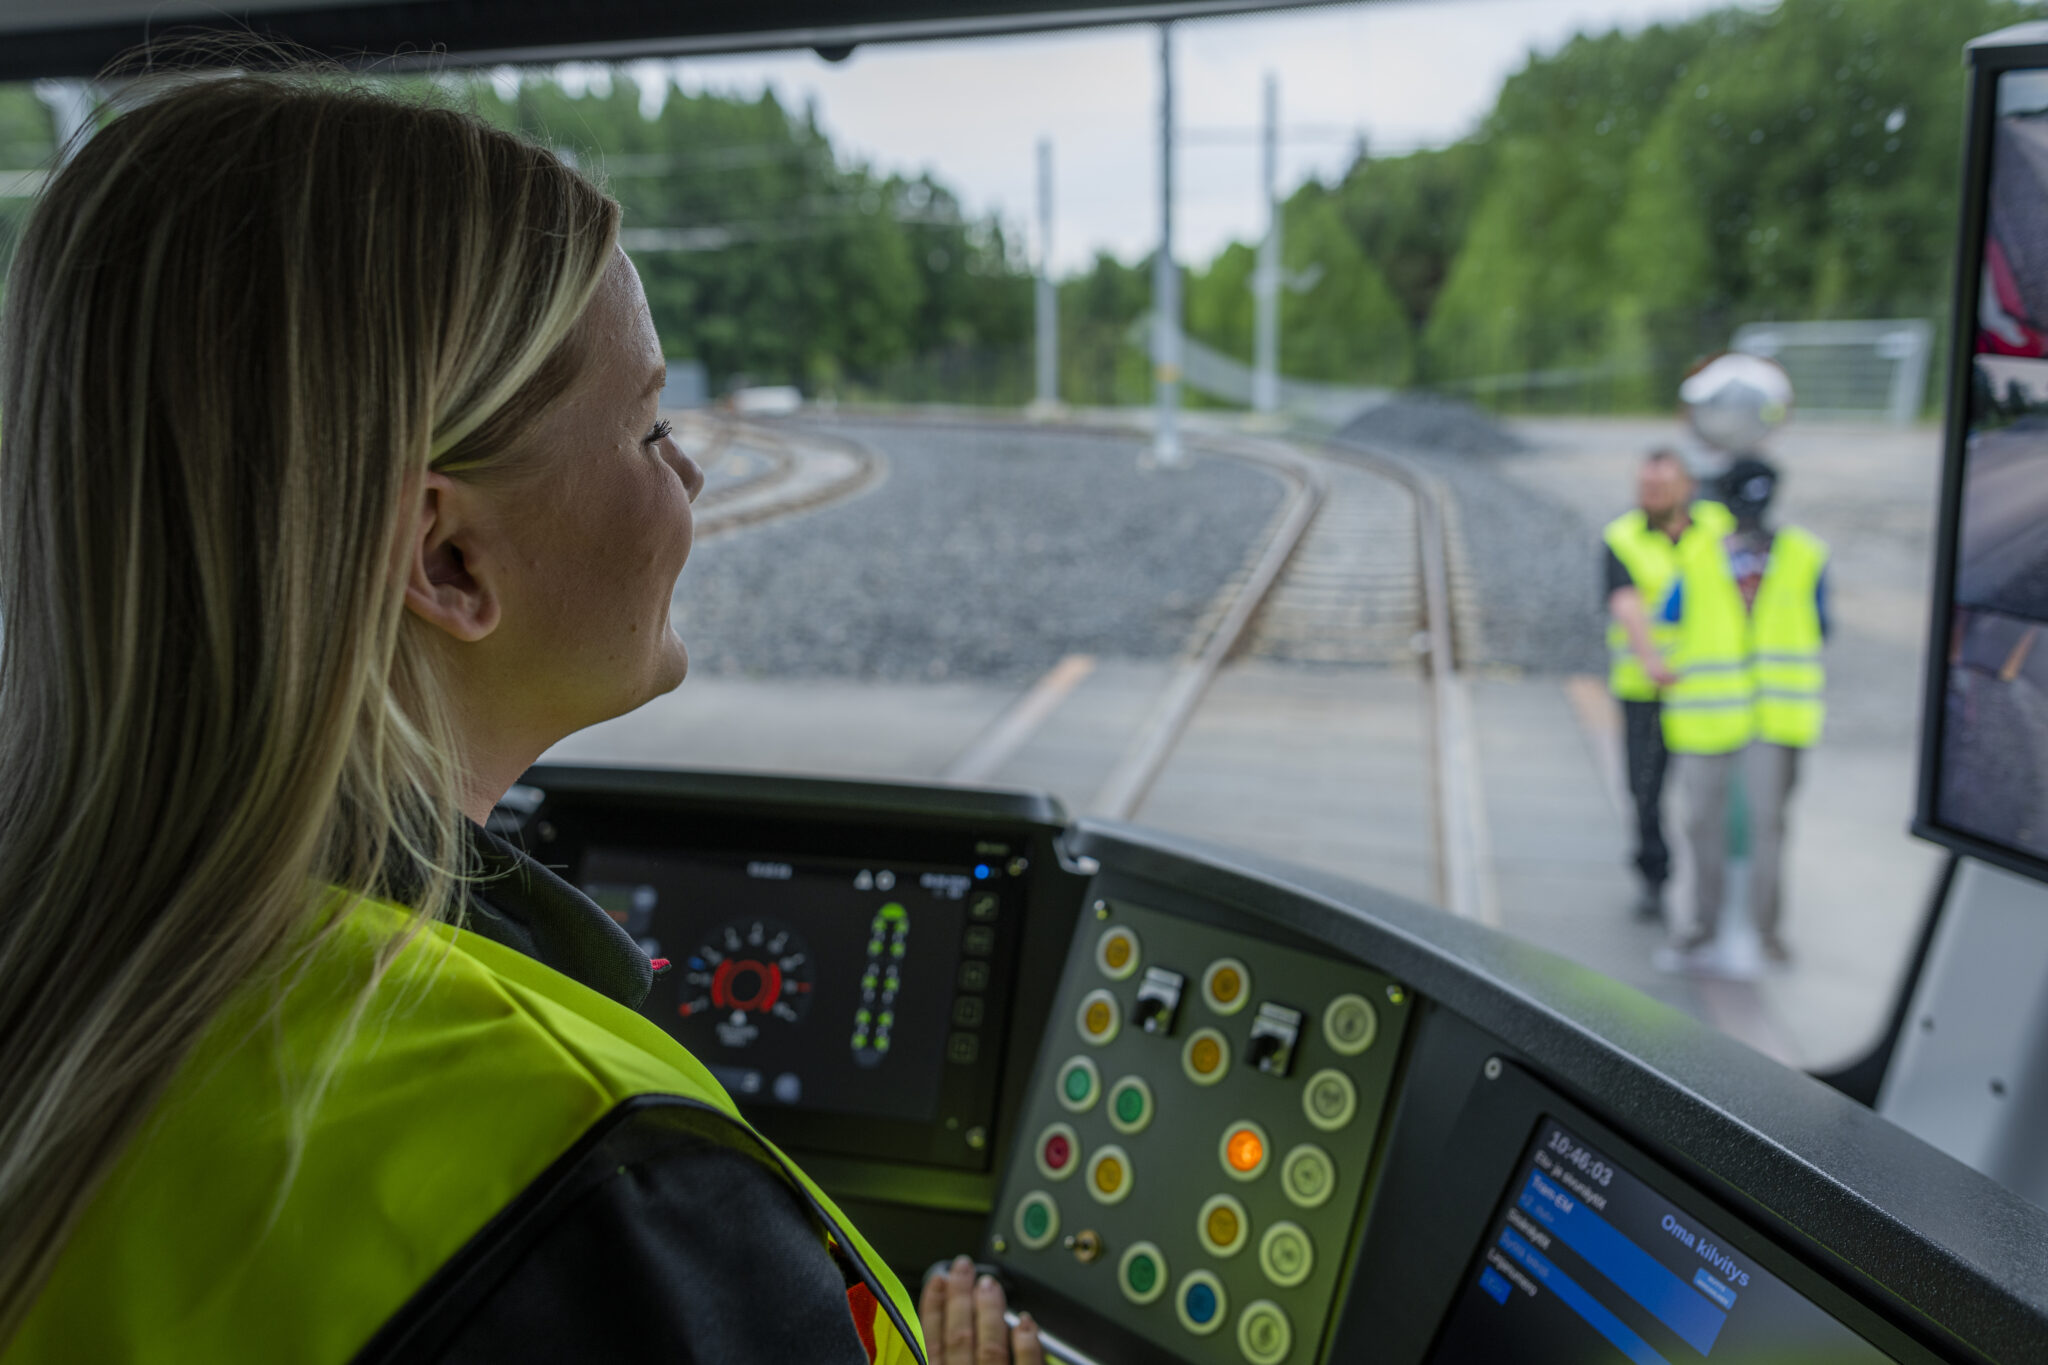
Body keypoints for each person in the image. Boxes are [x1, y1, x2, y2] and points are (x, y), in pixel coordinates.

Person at [0, 71, 1037, 1365]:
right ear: (447, 564)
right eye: (649, 427)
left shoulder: (68, 985)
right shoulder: (599, 1189)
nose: (693, 473)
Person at [1656, 457, 1829, 971]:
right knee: (1706, 824)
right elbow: (1668, 618)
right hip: (1710, 717)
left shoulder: (1804, 555)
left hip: (1775, 719)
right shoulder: (1699, 557)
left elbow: (1817, 622)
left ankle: (1766, 933)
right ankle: (1705, 927)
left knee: (1765, 827)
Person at [1601, 450, 1733, 920]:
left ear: (1688, 487)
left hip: (1706, 689)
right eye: (1644, 488)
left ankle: (1716, 891)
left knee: (1710, 796)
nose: (1650, 495)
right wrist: (1652, 660)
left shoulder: (1720, 527)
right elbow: (1627, 604)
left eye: (1660, 486)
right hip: (1646, 689)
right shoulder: (1622, 537)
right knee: (1645, 790)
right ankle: (1654, 878)